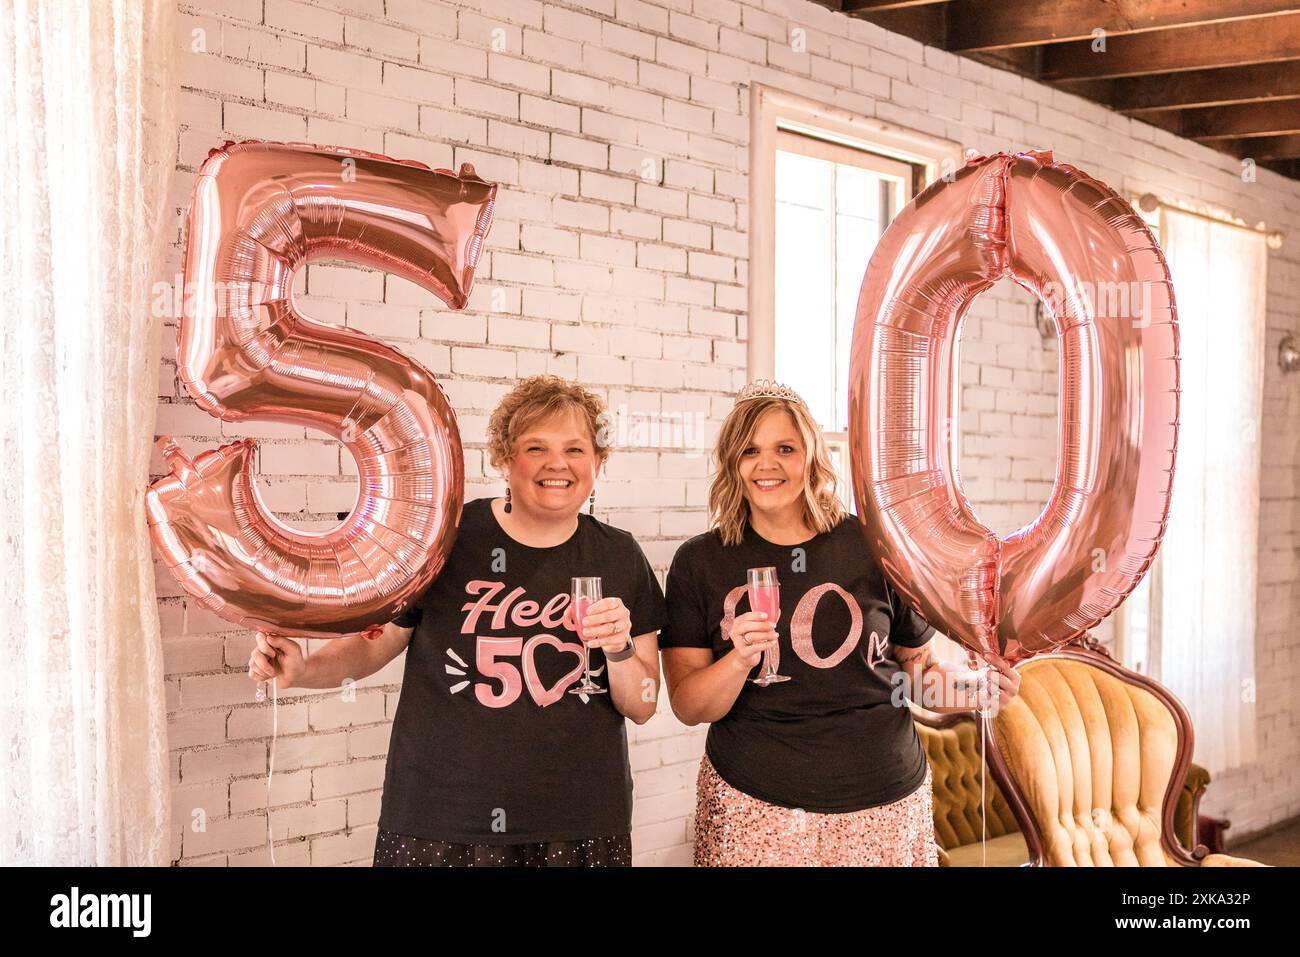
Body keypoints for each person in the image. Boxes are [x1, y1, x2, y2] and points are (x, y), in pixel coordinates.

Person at [248, 375, 666, 866]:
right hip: (441, 817)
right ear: (505, 459)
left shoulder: (619, 555)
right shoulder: (446, 539)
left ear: (599, 463)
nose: (558, 464)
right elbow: (373, 645)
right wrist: (303, 671)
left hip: (580, 822)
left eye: (576, 449)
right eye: (536, 447)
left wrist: (618, 649)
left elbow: (642, 705)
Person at [659, 379, 1020, 866]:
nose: (767, 464)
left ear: (810, 455)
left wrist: (978, 690)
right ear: (732, 463)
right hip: (755, 807)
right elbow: (688, 705)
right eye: (750, 450)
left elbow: (919, 673)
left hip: (885, 804)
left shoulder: (874, 546)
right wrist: (740, 660)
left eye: (785, 448)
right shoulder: (700, 562)